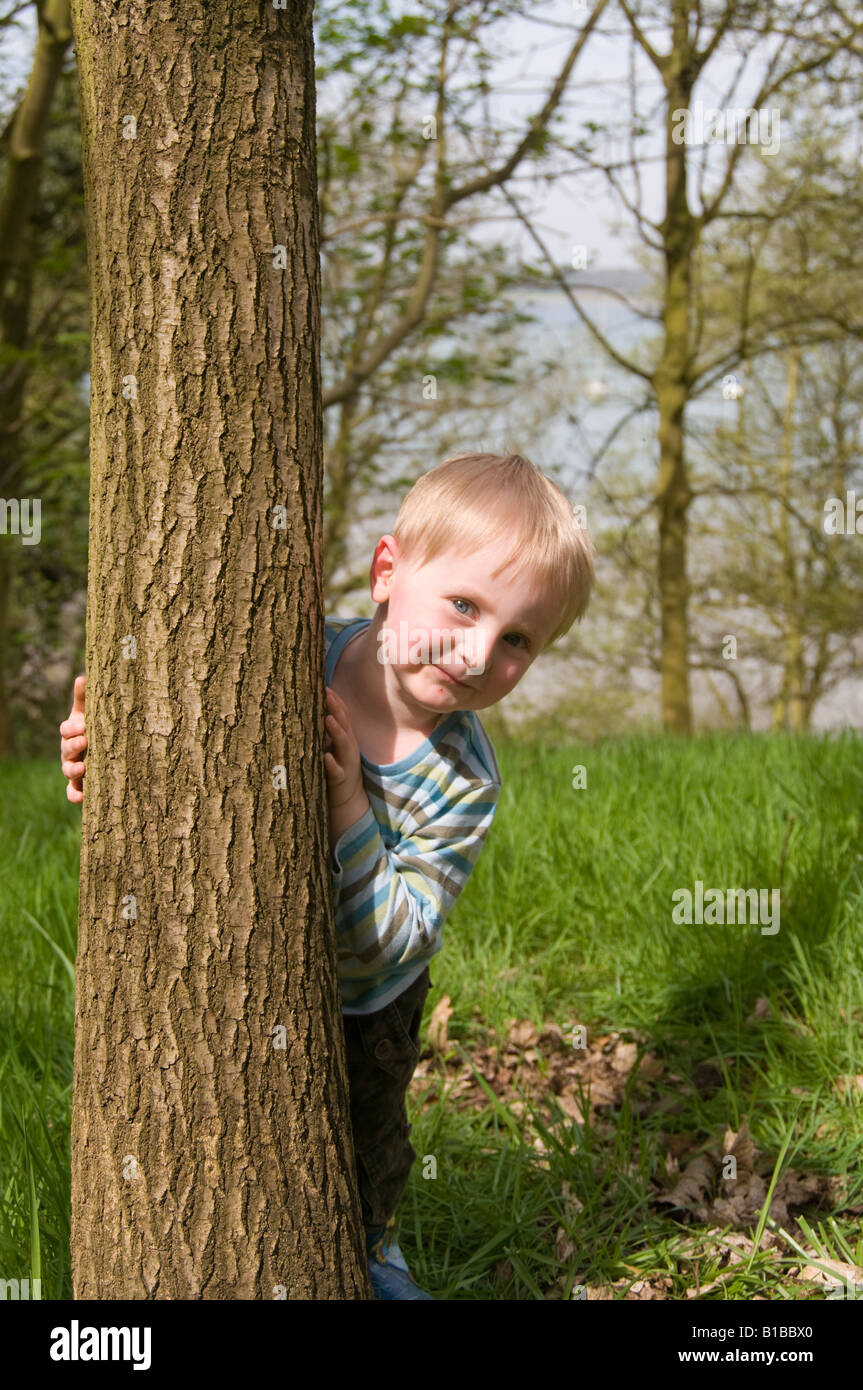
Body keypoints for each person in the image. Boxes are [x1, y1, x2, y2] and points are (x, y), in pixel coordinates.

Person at [60, 450, 596, 1299]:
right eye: (463, 604)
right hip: (232, 974)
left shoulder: (461, 781)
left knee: (356, 1167)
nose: (475, 652)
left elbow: (392, 944)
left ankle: (372, 1261)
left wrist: (349, 802)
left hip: (360, 1013)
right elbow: (184, 793)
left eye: (517, 640)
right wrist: (107, 762)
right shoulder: (287, 655)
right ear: (388, 571)